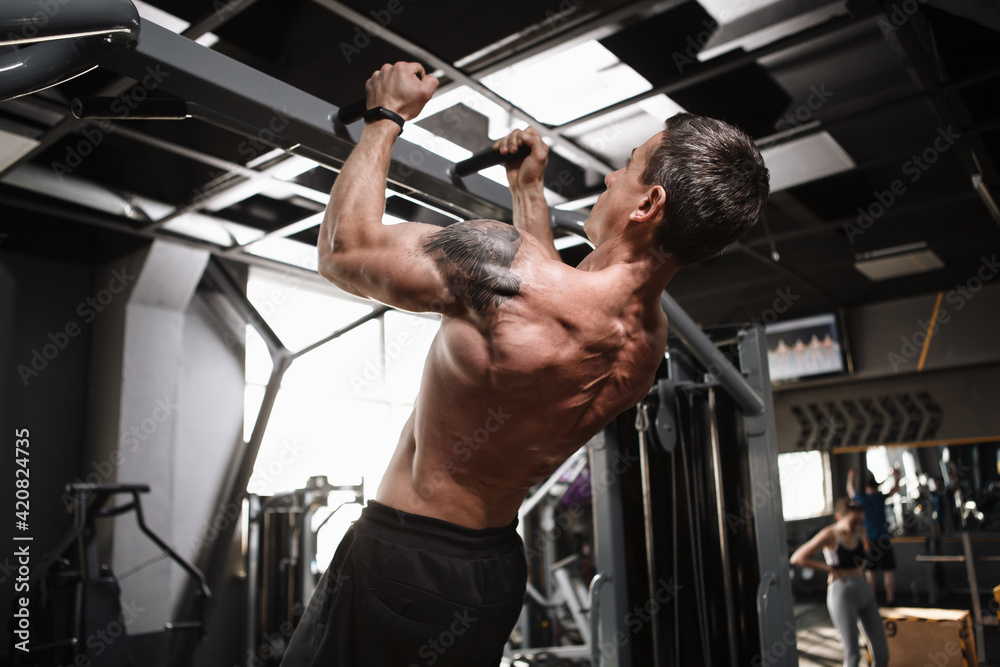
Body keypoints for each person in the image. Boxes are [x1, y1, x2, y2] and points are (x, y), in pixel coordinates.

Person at [278, 61, 769, 666]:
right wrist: (527, 191)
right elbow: (556, 297)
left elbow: (343, 250)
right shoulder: (644, 345)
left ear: (648, 204)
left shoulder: (504, 266)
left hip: (403, 557)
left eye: (630, 164)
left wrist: (386, 117)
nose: (612, 175)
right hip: (490, 574)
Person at [791, 498, 890, 667]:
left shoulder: (861, 531)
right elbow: (797, 558)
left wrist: (862, 568)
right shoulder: (830, 534)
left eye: (860, 521)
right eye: (853, 522)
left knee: (882, 655)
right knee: (853, 656)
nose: (857, 526)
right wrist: (829, 568)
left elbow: (866, 553)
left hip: (863, 590)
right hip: (842, 593)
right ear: (839, 517)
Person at [848, 467, 901, 604]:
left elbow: (850, 491)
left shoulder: (862, 498)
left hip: (869, 541)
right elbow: (895, 490)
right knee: (888, 572)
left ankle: (873, 602)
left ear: (866, 487)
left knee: (870, 573)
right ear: (876, 487)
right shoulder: (879, 497)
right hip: (884, 540)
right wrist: (897, 476)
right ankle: (891, 600)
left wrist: (850, 476)